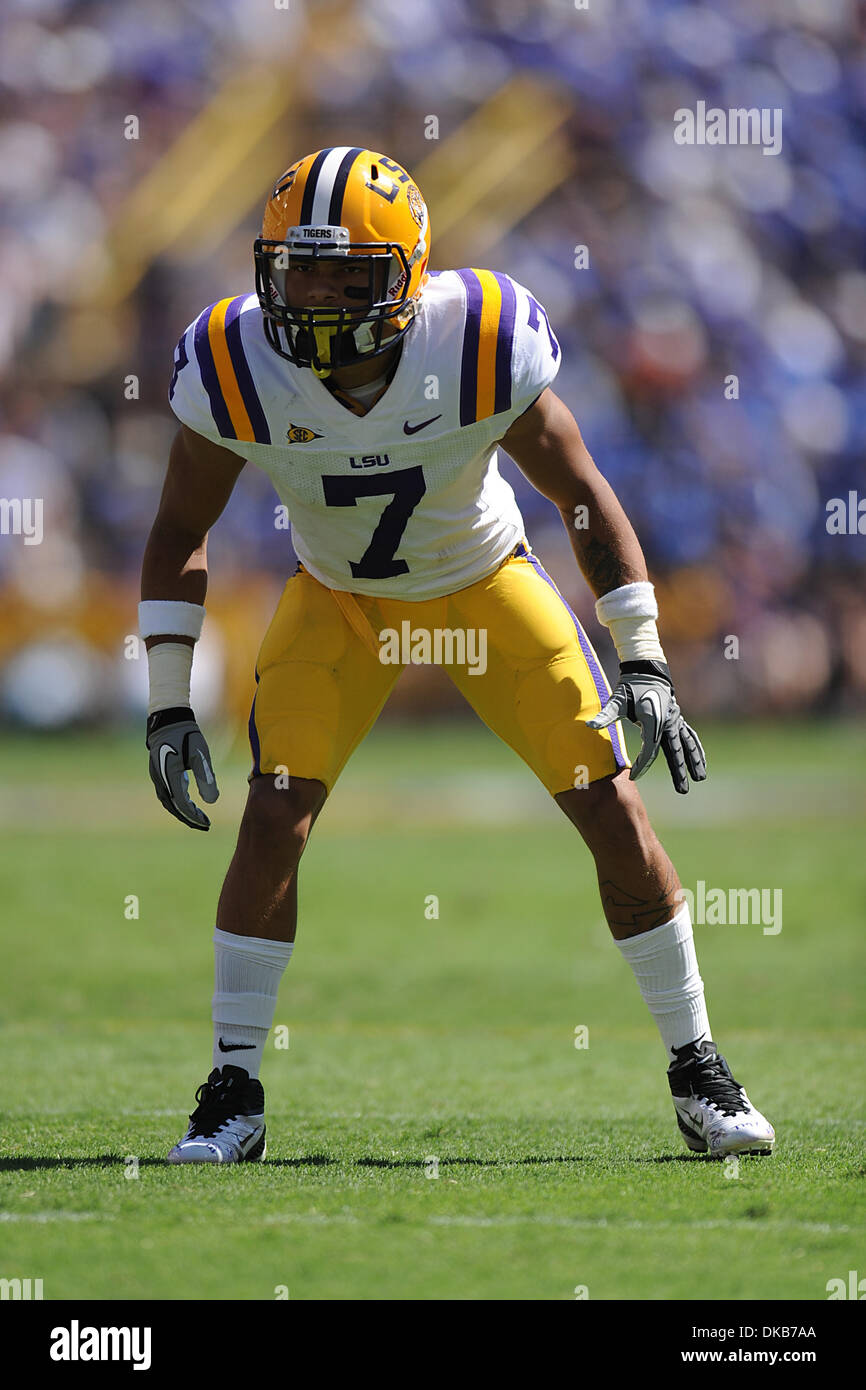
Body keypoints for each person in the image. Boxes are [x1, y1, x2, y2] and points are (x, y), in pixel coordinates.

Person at [140, 146, 774, 1164]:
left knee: (610, 808)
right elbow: (177, 528)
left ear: (404, 276)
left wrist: (643, 659)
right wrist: (169, 701)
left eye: (343, 272)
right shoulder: (233, 358)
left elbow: (577, 491)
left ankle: (698, 1068)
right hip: (338, 599)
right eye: (296, 270)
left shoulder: (476, 338)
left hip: (482, 586)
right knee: (271, 816)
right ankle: (232, 1089)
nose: (311, 297)